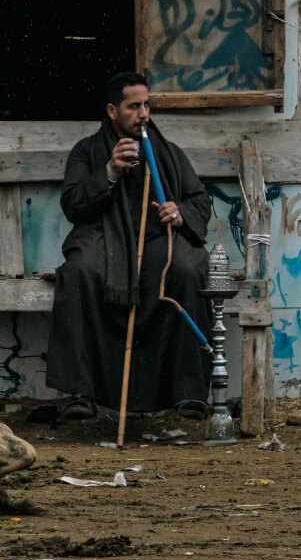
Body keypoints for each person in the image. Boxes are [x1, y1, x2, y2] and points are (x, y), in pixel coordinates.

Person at [46, 72, 213, 421]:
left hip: (155, 238)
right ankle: (82, 392)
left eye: (147, 105)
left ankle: (188, 392)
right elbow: (73, 204)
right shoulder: (87, 151)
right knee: (78, 272)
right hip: (103, 237)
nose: (144, 114)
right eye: (134, 106)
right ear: (112, 111)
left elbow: (199, 200)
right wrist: (109, 171)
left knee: (185, 269)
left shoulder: (168, 153)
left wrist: (179, 213)